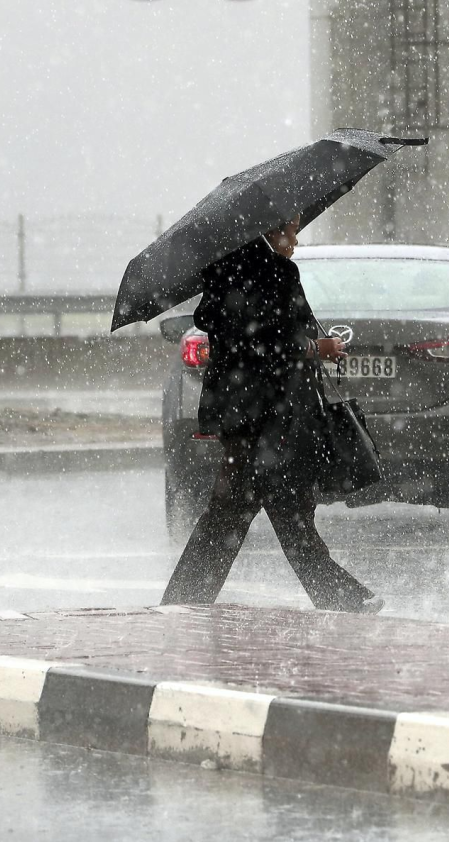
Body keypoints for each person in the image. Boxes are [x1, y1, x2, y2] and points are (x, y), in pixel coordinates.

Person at [160, 215, 383, 614]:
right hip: (276, 415)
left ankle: (183, 601)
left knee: (242, 513)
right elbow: (273, 342)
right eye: (290, 230)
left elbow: (243, 340)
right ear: (268, 230)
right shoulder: (275, 273)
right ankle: (343, 599)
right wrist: (319, 348)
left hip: (241, 415)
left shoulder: (225, 271)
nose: (295, 239)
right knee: (276, 511)